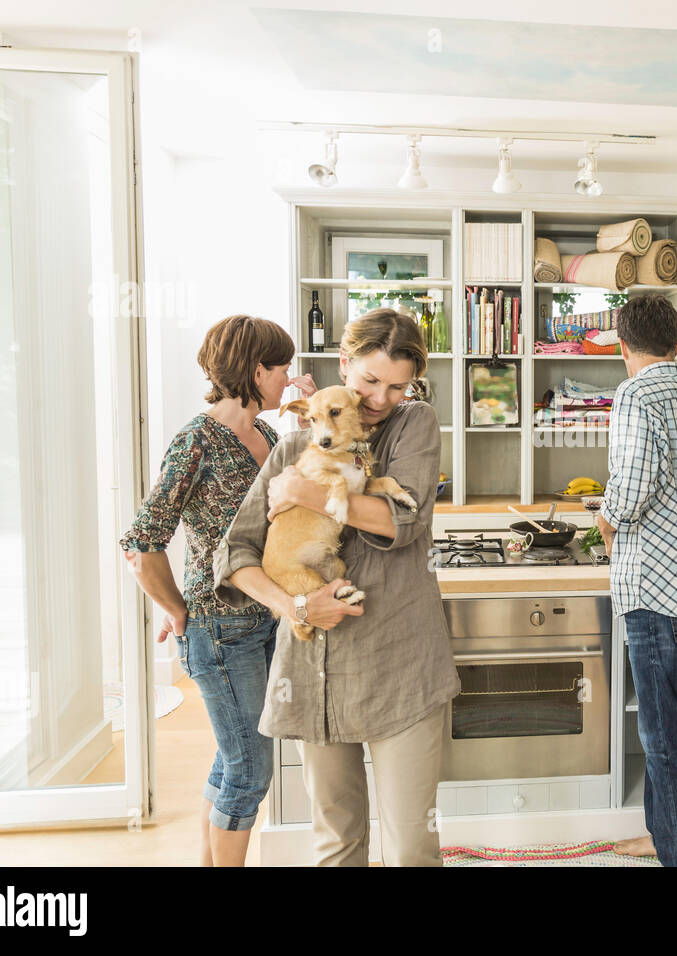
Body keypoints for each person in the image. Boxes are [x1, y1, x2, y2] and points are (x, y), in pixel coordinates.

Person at [212, 307, 459, 867]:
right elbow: (235, 552)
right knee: (335, 840)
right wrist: (296, 603)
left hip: (400, 664)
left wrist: (310, 497)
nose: (380, 398)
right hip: (317, 672)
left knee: (410, 846)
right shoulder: (291, 449)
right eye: (369, 381)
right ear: (344, 364)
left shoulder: (414, 424)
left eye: (398, 386)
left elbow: (407, 520)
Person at [121, 313, 312, 866]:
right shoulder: (196, 441)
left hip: (266, 619)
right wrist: (177, 610)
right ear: (256, 370)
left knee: (237, 758)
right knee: (251, 768)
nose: (287, 378)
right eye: (282, 368)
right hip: (220, 629)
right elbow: (142, 541)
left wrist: (313, 406)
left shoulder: (268, 434)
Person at [596, 294, 677, 867]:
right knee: (671, 726)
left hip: (652, 586)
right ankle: (665, 839)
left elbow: (631, 483)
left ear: (623, 346)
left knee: (664, 739)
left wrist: (605, 523)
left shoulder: (634, 394)